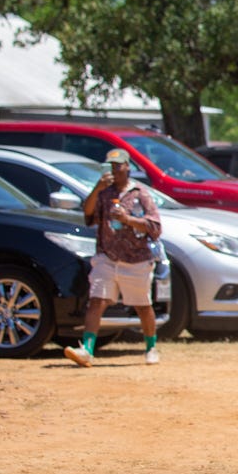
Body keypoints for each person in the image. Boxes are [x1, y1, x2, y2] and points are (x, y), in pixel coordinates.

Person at [63, 148, 163, 367]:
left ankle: (151, 347)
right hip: (107, 257)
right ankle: (87, 350)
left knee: (142, 306)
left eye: (118, 166)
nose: (115, 170)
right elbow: (88, 215)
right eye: (111, 166)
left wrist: (128, 220)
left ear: (127, 167)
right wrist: (97, 188)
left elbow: (155, 227)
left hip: (136, 259)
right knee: (96, 301)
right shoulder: (104, 193)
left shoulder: (140, 194)